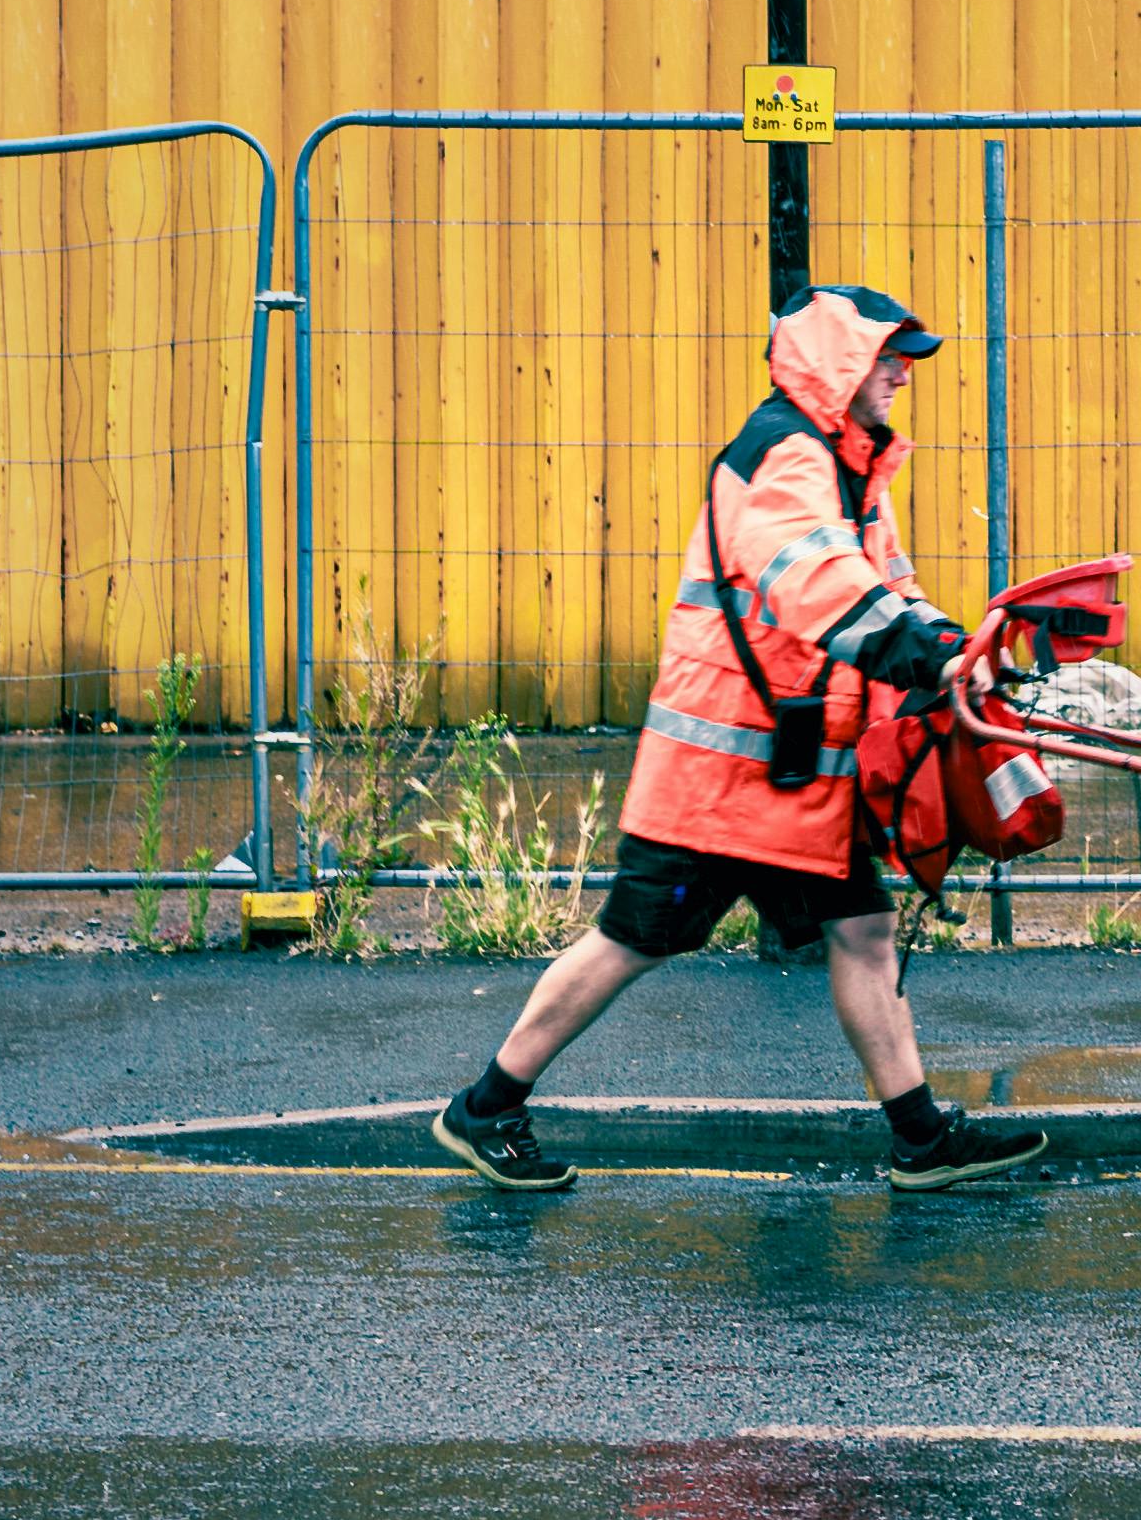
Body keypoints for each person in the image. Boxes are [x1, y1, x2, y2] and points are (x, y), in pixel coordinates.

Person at [435, 283, 1052, 1195]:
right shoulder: (785, 456)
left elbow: (888, 581)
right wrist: (925, 651)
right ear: (839, 363)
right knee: (632, 939)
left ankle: (921, 1138)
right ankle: (485, 1106)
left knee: (866, 931)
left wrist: (955, 646)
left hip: (787, 782)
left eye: (907, 360)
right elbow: (814, 577)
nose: (901, 375)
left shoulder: (849, 464)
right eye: (888, 357)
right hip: (719, 783)